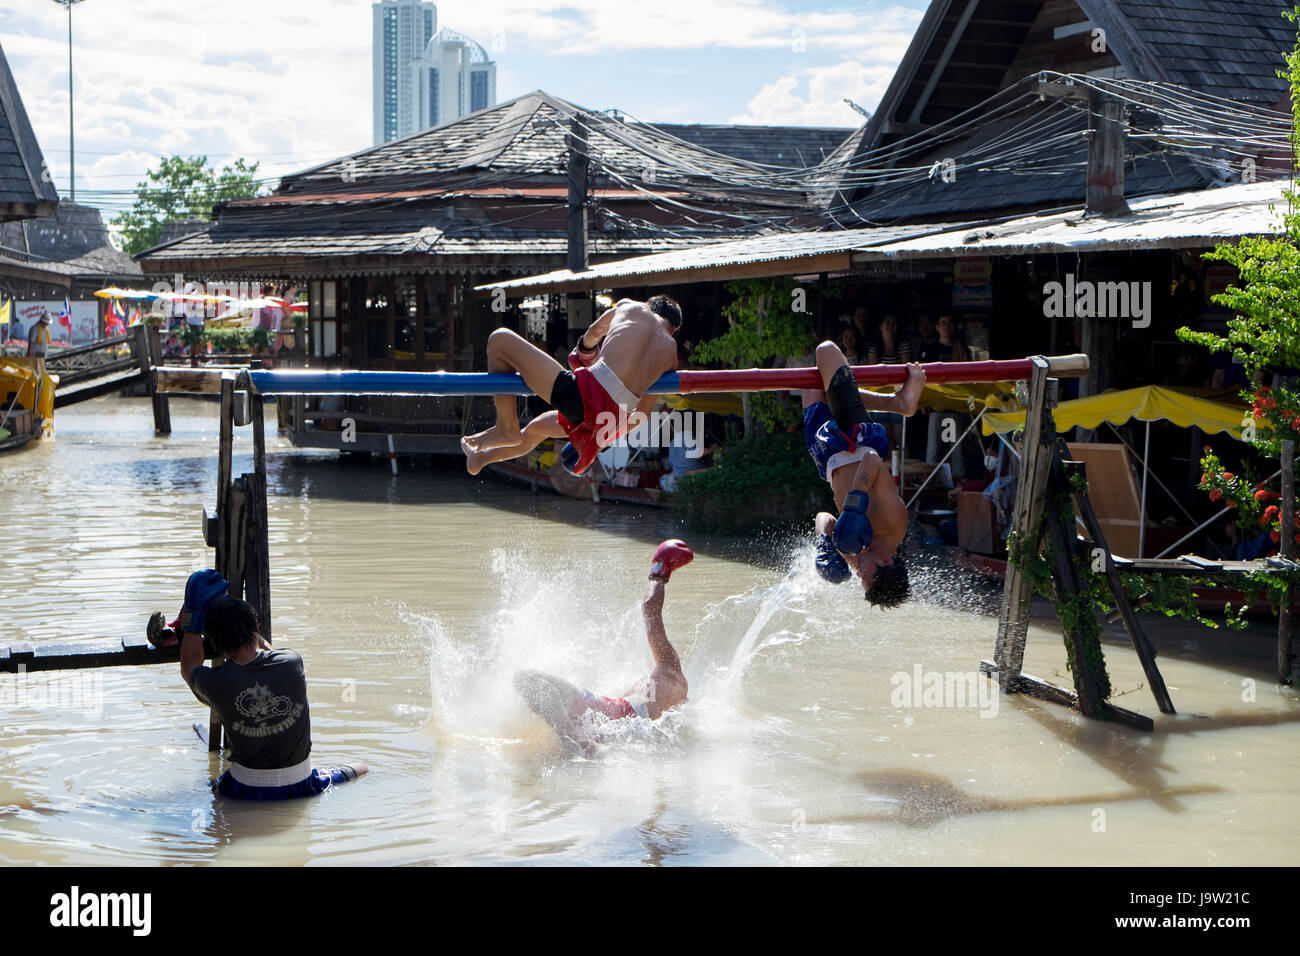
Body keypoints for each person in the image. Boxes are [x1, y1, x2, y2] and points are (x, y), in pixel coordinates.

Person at [176, 571, 368, 800]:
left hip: (243, 789)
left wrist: (193, 618)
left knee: (212, 787)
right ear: (255, 626)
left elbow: (189, 667)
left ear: (216, 644)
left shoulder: (216, 683)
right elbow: (268, 651)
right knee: (361, 767)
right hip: (303, 784)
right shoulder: (292, 663)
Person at [461, 296, 682, 477]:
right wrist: (601, 436)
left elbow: (593, 334)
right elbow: (642, 414)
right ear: (675, 328)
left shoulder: (630, 306)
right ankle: (479, 459)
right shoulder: (671, 353)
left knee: (499, 340)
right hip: (609, 420)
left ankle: (506, 428)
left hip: (585, 397)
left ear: (649, 305)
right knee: (538, 426)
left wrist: (585, 353)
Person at [514, 540, 693, 753]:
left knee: (524, 678)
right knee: (528, 682)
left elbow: (649, 609)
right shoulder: (666, 693)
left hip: (601, 714)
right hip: (601, 711)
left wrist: (659, 571)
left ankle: (574, 740)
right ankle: (574, 738)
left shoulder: (669, 670)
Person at [803, 340, 926, 606]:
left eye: (862, 582)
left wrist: (824, 542)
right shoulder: (894, 523)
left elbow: (823, 517)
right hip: (852, 439)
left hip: (825, 456)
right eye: (866, 578)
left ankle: (899, 402)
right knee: (825, 350)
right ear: (885, 561)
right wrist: (854, 507)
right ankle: (900, 403)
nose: (858, 575)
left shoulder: (856, 553)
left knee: (811, 379)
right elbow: (871, 460)